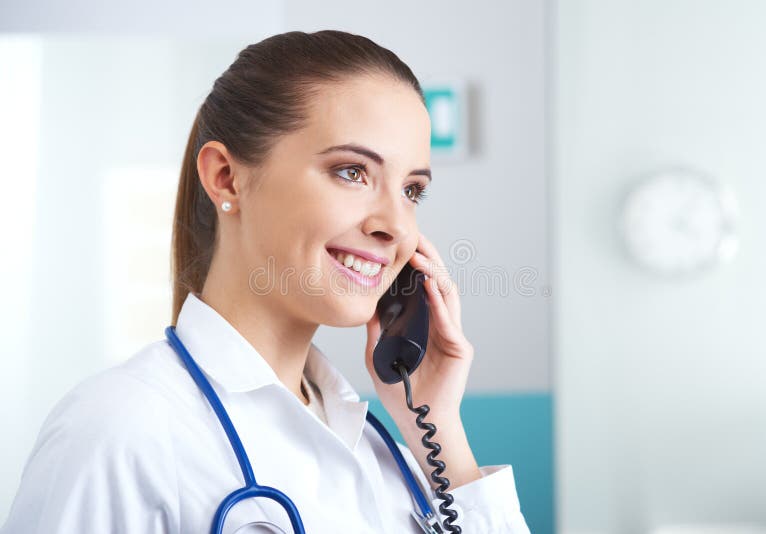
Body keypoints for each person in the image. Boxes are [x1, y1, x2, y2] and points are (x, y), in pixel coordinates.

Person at [1, 30, 531, 533]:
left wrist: (437, 427)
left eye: (413, 190)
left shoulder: (373, 445)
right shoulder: (118, 430)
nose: (395, 225)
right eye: (352, 172)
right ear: (226, 177)